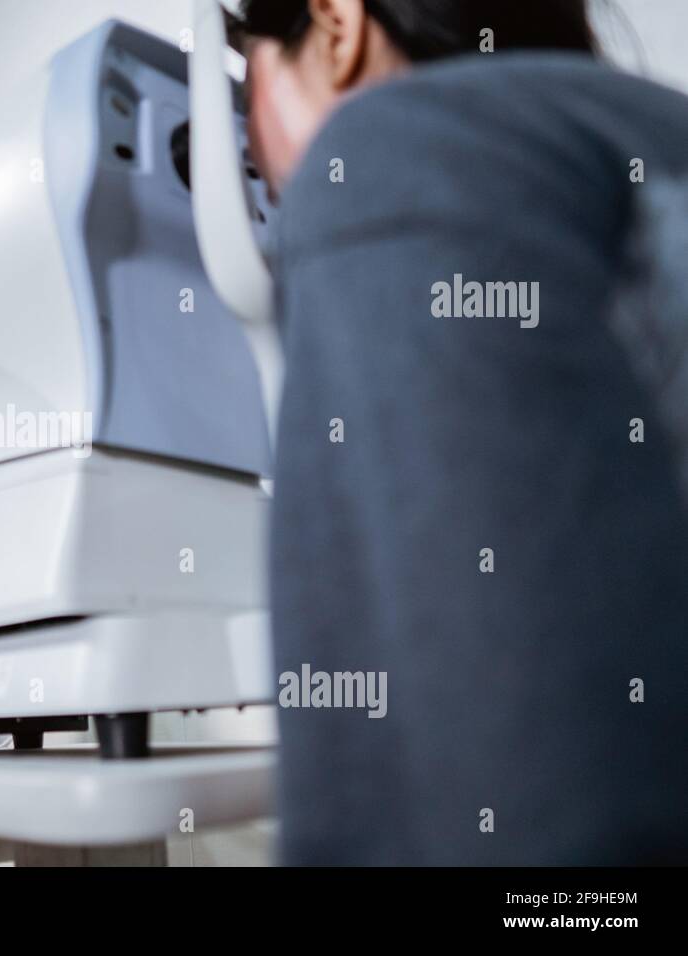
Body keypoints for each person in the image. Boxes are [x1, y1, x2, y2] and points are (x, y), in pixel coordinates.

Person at [236, 0, 688, 862]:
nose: (263, 170)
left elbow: (514, 793)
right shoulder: (648, 136)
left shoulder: (395, 156)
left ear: (336, 24)